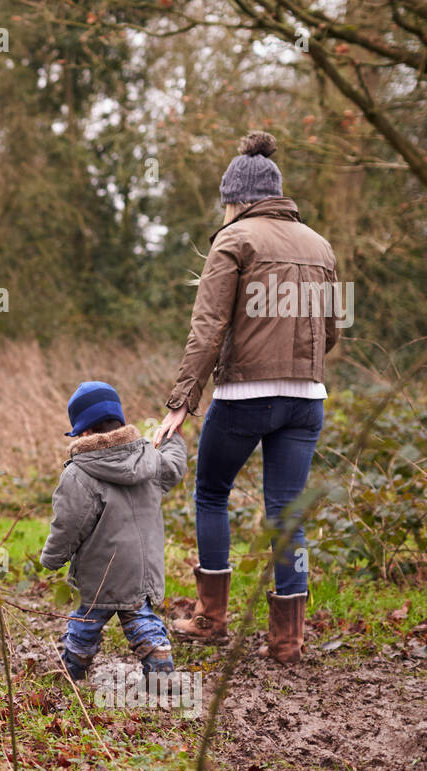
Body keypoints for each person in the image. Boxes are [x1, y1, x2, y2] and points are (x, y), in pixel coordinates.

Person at [153, 131, 343, 664]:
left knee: (212, 490)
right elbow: (332, 332)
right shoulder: (320, 245)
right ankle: (288, 640)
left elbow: (208, 328)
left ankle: (211, 619)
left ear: (237, 199)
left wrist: (180, 402)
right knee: (287, 513)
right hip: (307, 399)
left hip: (245, 396)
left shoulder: (232, 241)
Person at [41, 381, 188, 683]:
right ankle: (160, 665)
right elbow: (174, 467)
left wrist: (53, 557)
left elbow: (69, 523)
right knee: (139, 617)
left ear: (83, 432)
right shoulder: (148, 457)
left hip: (101, 572)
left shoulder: (79, 473)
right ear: (119, 421)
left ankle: (71, 668)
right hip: (143, 570)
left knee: (85, 622)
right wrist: (172, 437)